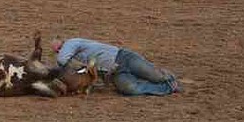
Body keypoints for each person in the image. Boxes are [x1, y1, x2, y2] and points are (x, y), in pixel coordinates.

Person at [51, 37, 180, 96]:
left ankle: (167, 79)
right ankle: (168, 87)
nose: (59, 52)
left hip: (123, 57)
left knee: (156, 76)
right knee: (130, 89)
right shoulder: (75, 60)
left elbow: (62, 60)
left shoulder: (71, 43)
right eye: (57, 51)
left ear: (63, 44)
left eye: (59, 49)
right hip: (114, 73)